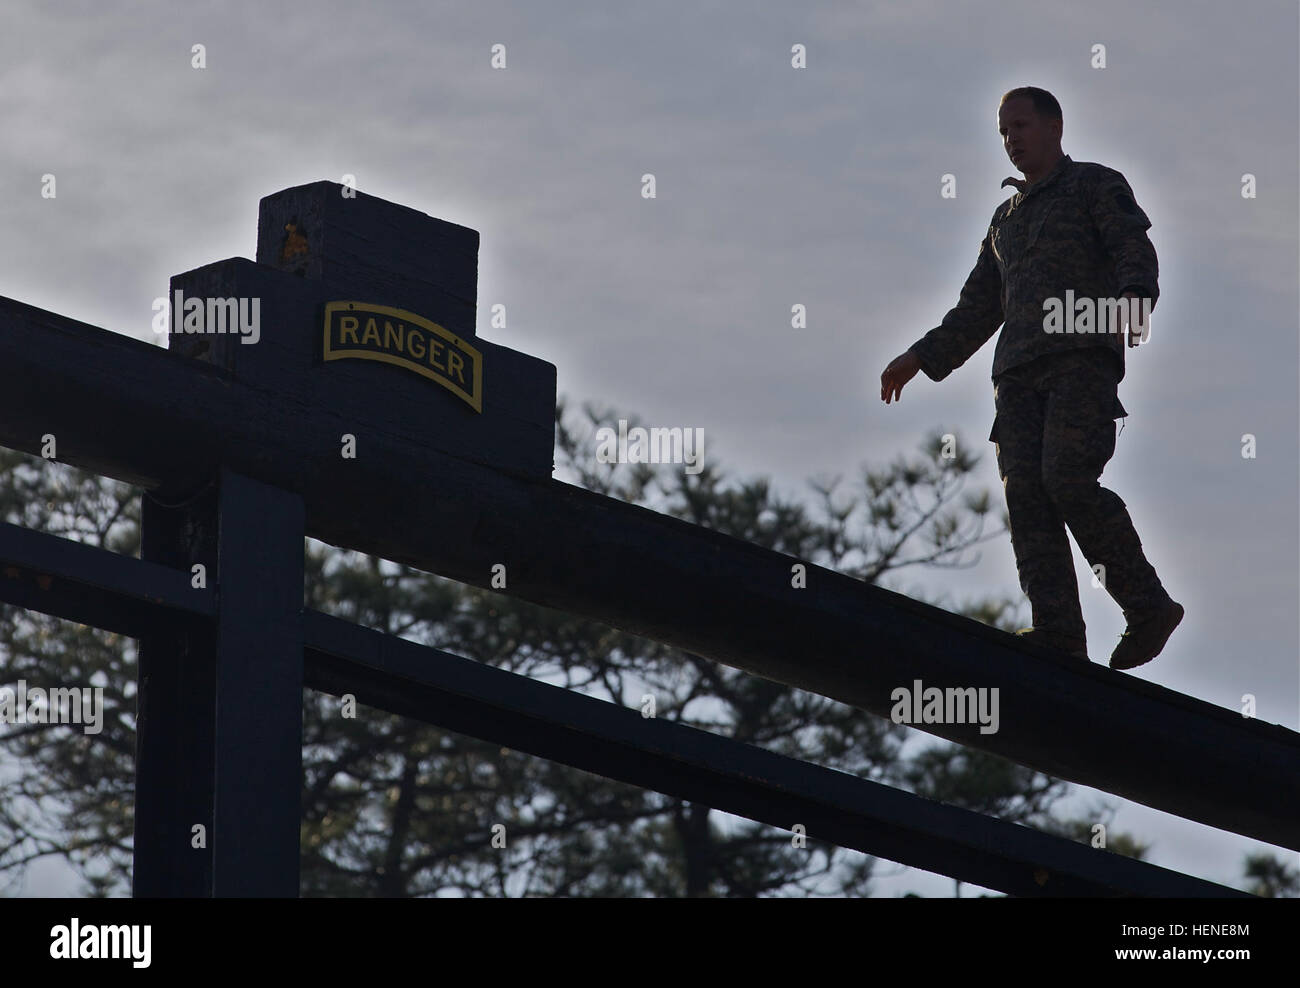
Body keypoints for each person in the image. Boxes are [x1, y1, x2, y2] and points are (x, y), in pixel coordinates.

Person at [879, 86, 1182, 670]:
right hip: (1015, 378)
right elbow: (978, 306)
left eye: (1020, 126)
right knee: (1028, 498)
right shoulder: (1006, 221)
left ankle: (1148, 608)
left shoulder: (1095, 185)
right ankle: (1060, 633)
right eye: (1003, 132)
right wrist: (920, 355)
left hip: (1080, 361)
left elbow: (1131, 249)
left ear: (1054, 127)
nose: (1011, 140)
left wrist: (1134, 300)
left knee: (1065, 478)